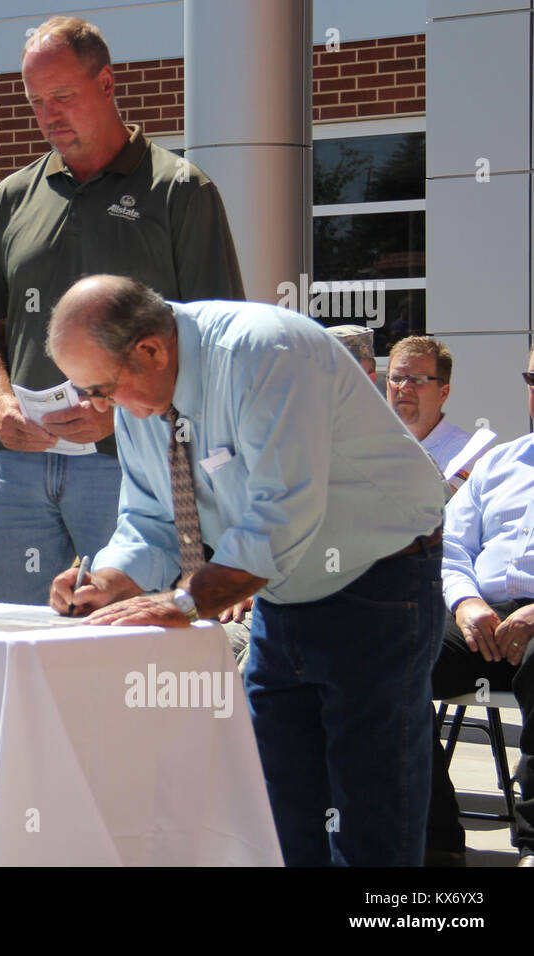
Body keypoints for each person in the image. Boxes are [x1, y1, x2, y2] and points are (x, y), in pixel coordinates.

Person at [46, 275, 446, 866]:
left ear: (151, 350)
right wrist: (108, 578)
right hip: (278, 596)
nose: (96, 406)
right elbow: (152, 516)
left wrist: (184, 602)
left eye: (101, 388)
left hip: (376, 588)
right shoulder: (142, 387)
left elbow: (281, 513)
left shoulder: (265, 352)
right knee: (275, 810)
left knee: (371, 814)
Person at [0, 15, 243, 606]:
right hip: (18, 470)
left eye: (63, 96)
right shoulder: (11, 200)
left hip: (134, 471)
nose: (49, 116)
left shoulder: (180, 192)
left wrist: (122, 414)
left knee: (128, 652)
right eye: (37, 102)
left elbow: (217, 346)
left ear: (108, 85)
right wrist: (1, 403)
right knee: (0, 641)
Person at [425, 347, 534, 868]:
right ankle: (436, 839)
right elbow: (450, 546)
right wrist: (466, 603)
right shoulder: (501, 461)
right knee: (393, 666)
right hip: (481, 617)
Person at [386, 336, 485, 487]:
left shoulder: (467, 454)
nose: (404, 386)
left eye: (418, 379)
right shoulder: (367, 447)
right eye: (397, 378)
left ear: (443, 393)